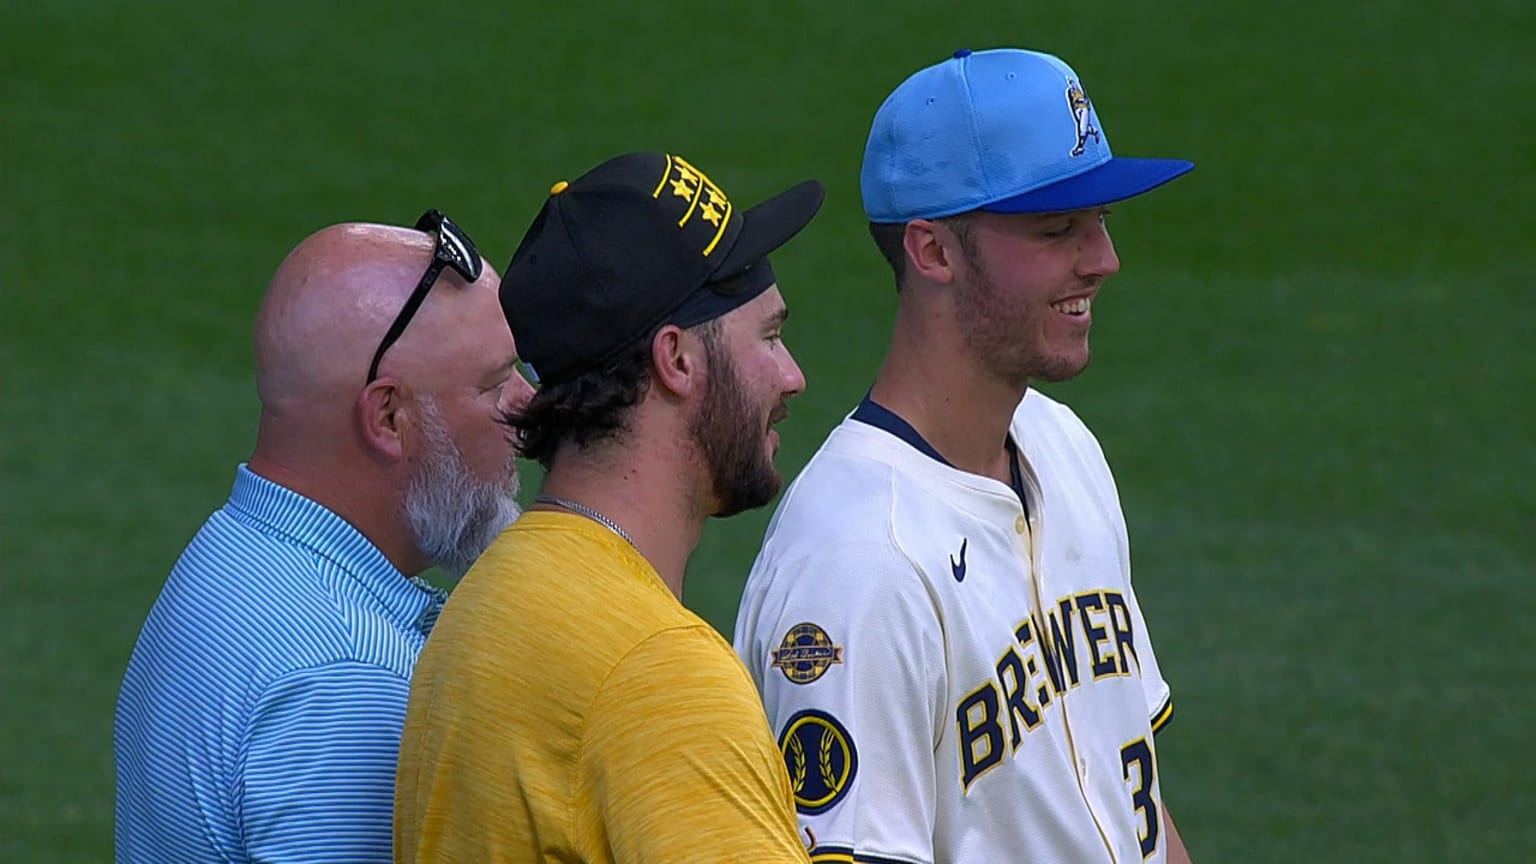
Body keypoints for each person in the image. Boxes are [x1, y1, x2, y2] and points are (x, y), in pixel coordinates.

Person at [734, 48, 1197, 864]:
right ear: (934, 252)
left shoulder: (1062, 444)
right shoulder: (857, 563)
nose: (1103, 259)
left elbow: (1141, 810)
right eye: (1058, 230)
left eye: (1102, 221)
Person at [394, 151, 823, 863]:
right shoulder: (656, 676)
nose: (793, 376)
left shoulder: (485, 605)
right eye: (769, 338)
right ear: (677, 360)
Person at [113, 211, 534, 863]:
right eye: (494, 382)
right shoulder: (346, 684)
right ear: (389, 417)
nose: (527, 403)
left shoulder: (231, 555)